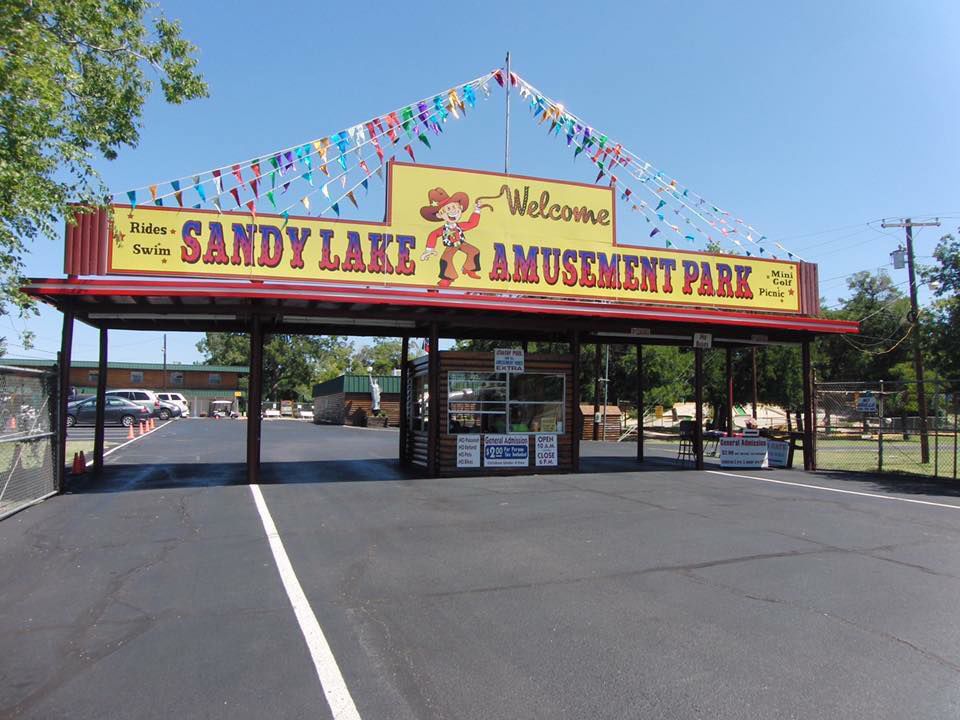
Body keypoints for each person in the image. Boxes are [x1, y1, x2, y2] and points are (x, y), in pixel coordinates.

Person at [419, 187, 484, 288]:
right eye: (448, 209)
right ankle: (446, 279)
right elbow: (433, 234)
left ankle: (469, 269)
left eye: (454, 207)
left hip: (461, 243)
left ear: (460, 208)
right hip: (450, 246)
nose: (453, 211)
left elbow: (472, 223)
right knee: (446, 259)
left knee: (474, 251)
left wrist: (477, 210)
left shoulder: (460, 226)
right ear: (440, 215)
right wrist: (429, 249)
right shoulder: (444, 228)